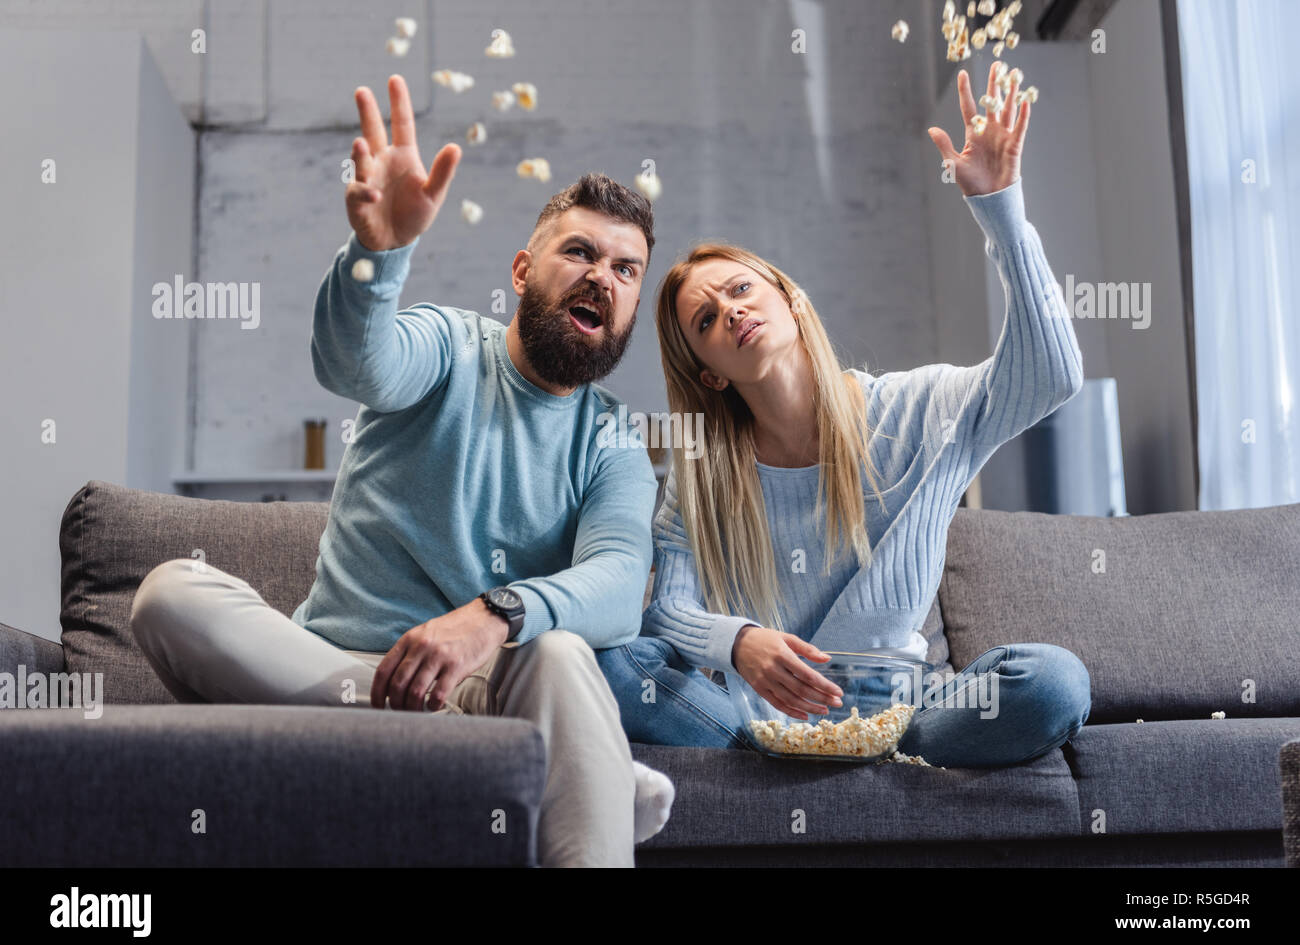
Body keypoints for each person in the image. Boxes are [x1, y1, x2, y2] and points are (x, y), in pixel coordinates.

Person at [130, 74, 674, 867]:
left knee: (558, 652)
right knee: (170, 593)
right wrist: (376, 255)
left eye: (627, 270)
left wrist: (490, 615)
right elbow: (358, 363)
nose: (603, 276)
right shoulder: (450, 346)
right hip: (336, 669)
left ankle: (484, 748)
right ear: (522, 271)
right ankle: (543, 762)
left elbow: (621, 581)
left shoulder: (615, 439)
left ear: (629, 306)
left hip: (487, 686)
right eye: (581, 251)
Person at [595, 63, 1093, 768]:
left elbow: (1051, 375)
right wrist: (740, 641)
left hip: (908, 719)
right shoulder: (701, 466)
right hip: (758, 727)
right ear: (708, 369)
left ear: (789, 298)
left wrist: (1001, 208)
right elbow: (666, 611)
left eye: (742, 287)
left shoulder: (916, 408)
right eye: (707, 318)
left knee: (1052, 682)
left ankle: (879, 762)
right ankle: (792, 765)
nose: (732, 309)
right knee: (611, 659)